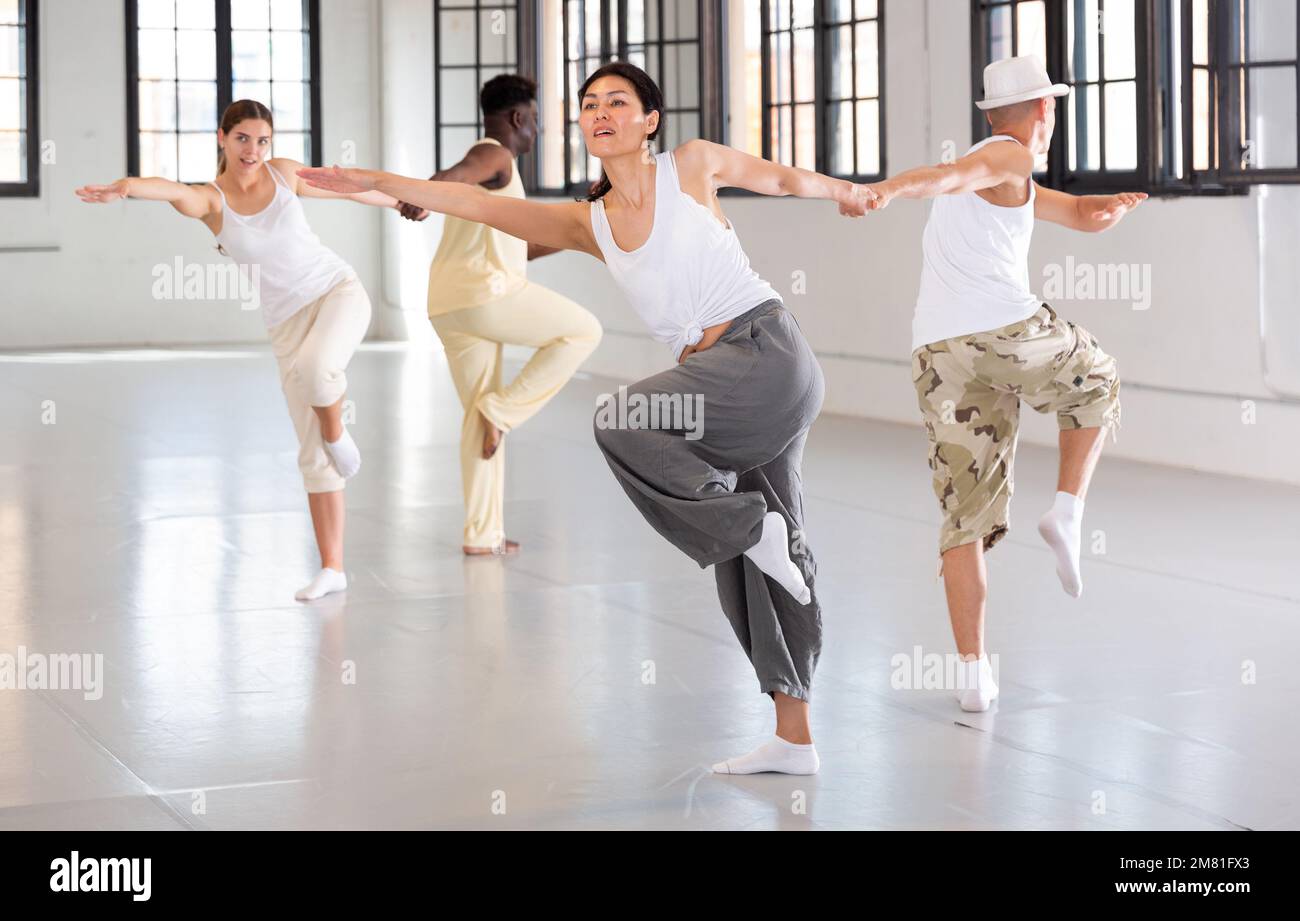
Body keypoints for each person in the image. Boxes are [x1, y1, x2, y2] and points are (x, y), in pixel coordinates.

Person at [300, 62, 873, 775]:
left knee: (626, 419)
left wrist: (847, 189)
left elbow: (783, 179)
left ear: (649, 119)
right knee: (760, 567)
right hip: (723, 384)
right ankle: (794, 735)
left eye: (617, 102)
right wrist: (370, 182)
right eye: (588, 104)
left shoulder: (690, 168)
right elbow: (468, 204)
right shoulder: (588, 222)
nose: (599, 113)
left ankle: (754, 527)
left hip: (767, 353)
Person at [861, 56, 1143, 711]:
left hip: (937, 352)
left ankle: (971, 675)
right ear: (1043, 111)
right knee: (1097, 379)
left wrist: (1108, 209)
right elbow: (946, 175)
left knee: (965, 514)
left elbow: (1073, 212)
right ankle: (1067, 512)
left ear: (989, 110)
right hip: (1001, 331)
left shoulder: (1007, 173)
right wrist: (889, 189)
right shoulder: (1007, 155)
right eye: (1052, 110)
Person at [76, 99, 404, 602]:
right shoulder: (212, 201)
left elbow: (348, 191)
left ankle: (339, 432)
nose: (254, 149)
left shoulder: (287, 175)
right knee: (311, 455)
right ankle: (333, 567)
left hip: (337, 291)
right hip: (285, 323)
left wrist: (401, 202)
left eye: (263, 139)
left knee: (320, 372)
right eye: (243, 139)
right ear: (222, 140)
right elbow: (171, 190)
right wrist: (125, 188)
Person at [400, 74, 602, 555]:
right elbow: (458, 173)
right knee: (583, 331)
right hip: (485, 296)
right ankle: (503, 411)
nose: (539, 131)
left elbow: (523, 247)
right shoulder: (495, 155)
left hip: (449, 305)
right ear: (518, 118)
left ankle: (481, 534)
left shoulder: (501, 175)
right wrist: (424, 193)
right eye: (536, 120)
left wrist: (584, 222)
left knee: (477, 421)